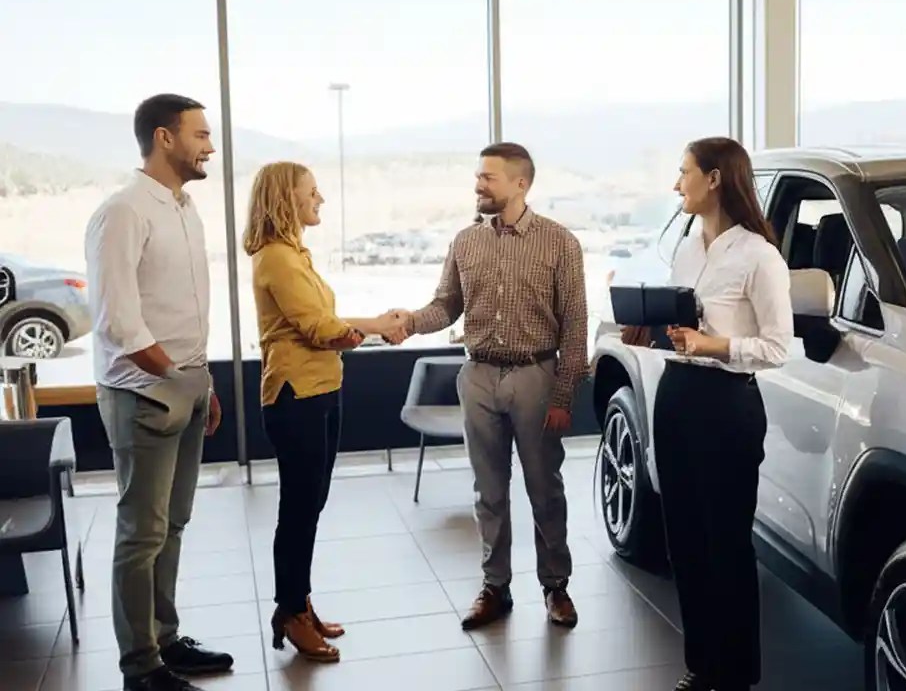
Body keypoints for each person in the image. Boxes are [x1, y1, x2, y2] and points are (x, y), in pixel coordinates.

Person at [384, 142, 588, 631]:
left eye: (488, 178)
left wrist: (563, 395)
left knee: (545, 489)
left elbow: (575, 326)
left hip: (536, 375)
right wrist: (410, 322)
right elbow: (445, 306)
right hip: (476, 375)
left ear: (521, 184)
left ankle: (555, 585)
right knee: (488, 491)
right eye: (478, 177)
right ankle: (495, 587)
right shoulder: (465, 241)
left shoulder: (560, 242)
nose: (478, 185)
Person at [628, 137, 793, 691]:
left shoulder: (759, 255)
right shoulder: (687, 248)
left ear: (716, 179)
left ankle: (737, 676)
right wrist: (658, 331)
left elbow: (776, 347)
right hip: (677, 396)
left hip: (727, 407)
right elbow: (685, 330)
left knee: (726, 545)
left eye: (684, 173)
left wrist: (715, 346)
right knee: (685, 545)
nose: (677, 184)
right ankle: (701, 669)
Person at [85, 94, 234, 691]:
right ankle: (140, 668)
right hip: (144, 392)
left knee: (172, 524)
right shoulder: (123, 210)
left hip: (189, 384)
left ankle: (166, 639)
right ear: (164, 138)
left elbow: (184, 308)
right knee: (140, 532)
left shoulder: (185, 208)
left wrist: (205, 381)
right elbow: (117, 318)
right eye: (200, 135)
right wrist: (174, 375)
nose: (210, 146)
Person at [243, 161, 405, 662]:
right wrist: (362, 333)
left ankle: (300, 603)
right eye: (312, 192)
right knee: (298, 511)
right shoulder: (275, 257)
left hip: (321, 390)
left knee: (309, 508)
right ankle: (289, 613)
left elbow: (324, 321)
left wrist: (373, 324)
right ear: (285, 198)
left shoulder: (296, 255)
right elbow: (319, 329)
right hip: (296, 397)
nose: (321, 200)